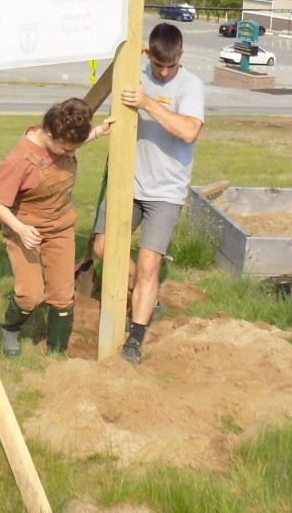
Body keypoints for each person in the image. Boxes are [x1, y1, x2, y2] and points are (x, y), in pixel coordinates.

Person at [92, 21, 205, 365]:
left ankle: (135, 340)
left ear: (180, 56)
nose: (164, 71)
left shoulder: (191, 86)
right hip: (127, 182)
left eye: (170, 65)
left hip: (165, 192)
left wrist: (147, 102)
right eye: (158, 65)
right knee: (101, 247)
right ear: (149, 54)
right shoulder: (135, 73)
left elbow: (188, 131)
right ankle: (146, 296)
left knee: (148, 262)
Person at [0, 98, 114, 358]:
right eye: (66, 150)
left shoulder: (61, 138)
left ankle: (56, 354)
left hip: (60, 227)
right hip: (25, 231)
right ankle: (9, 328)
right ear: (50, 134)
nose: (69, 155)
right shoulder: (19, 160)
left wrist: (98, 131)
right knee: (31, 295)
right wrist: (20, 229)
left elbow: (70, 142)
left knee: (62, 295)